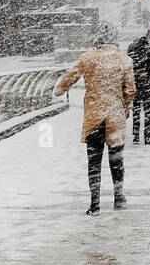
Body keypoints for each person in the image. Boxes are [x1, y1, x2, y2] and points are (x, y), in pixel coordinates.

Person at [54, 23, 134, 214]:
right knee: (116, 159)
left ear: (97, 39)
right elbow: (130, 89)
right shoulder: (124, 60)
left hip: (94, 117)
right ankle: (119, 197)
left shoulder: (87, 58)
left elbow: (70, 77)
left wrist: (60, 89)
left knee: (94, 160)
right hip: (114, 116)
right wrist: (125, 105)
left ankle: (95, 203)